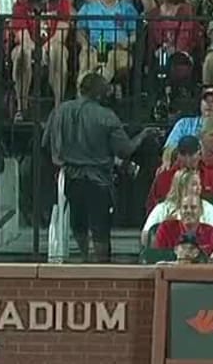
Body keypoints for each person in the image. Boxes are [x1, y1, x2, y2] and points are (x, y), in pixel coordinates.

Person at [44, 73, 150, 262]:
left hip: (68, 177)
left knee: (78, 224)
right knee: (100, 228)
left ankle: (84, 258)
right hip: (98, 180)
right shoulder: (106, 116)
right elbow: (125, 150)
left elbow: (45, 144)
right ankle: (101, 266)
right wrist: (142, 135)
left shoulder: (59, 111)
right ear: (101, 95)